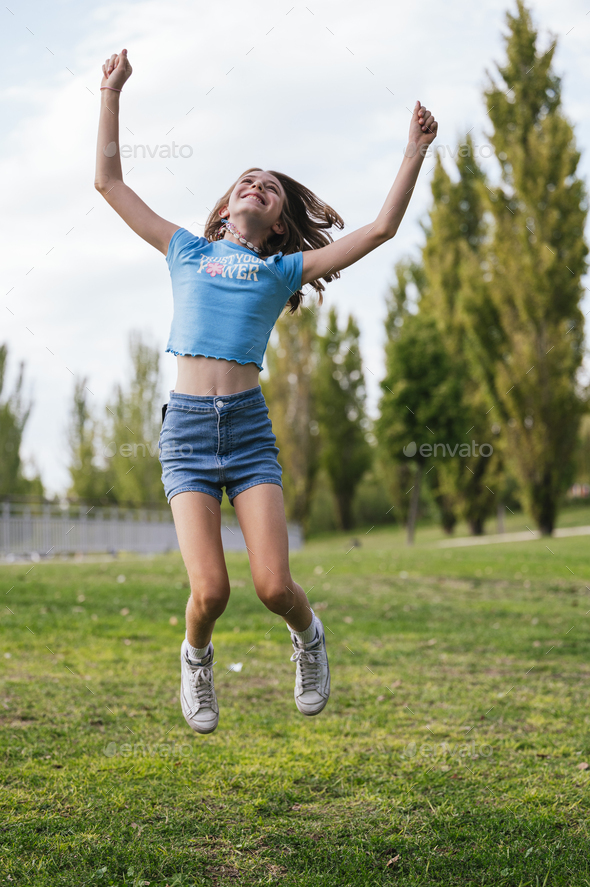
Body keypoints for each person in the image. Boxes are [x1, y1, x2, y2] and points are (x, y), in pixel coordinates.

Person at [94, 49, 438, 735]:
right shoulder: (187, 249)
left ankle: (309, 639)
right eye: (247, 181)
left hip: (248, 435)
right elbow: (108, 182)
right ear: (225, 209)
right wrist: (110, 91)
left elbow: (379, 230)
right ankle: (196, 657)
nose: (256, 186)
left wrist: (413, 154)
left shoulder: (283, 270)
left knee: (275, 587)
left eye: (270, 189)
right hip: (187, 435)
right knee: (210, 592)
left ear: (277, 223)